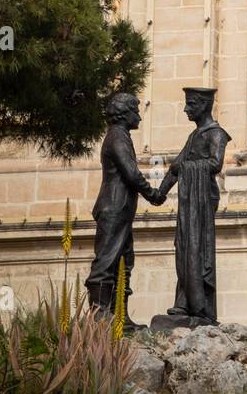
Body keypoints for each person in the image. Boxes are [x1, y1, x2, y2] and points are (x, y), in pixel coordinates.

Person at [86, 91, 159, 328]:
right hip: (114, 207)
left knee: (124, 262)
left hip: (122, 209)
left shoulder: (121, 135)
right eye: (135, 111)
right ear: (124, 114)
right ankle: (99, 316)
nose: (139, 115)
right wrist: (153, 194)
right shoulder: (117, 136)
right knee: (107, 260)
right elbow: (131, 173)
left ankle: (120, 317)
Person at [157, 87, 230, 324]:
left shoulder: (216, 134)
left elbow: (215, 163)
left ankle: (198, 302)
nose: (186, 109)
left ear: (204, 106)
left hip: (202, 199)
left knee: (197, 246)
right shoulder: (194, 135)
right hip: (190, 199)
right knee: (185, 245)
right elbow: (175, 166)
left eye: (191, 104)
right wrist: (159, 193)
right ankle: (184, 300)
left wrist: (186, 169)